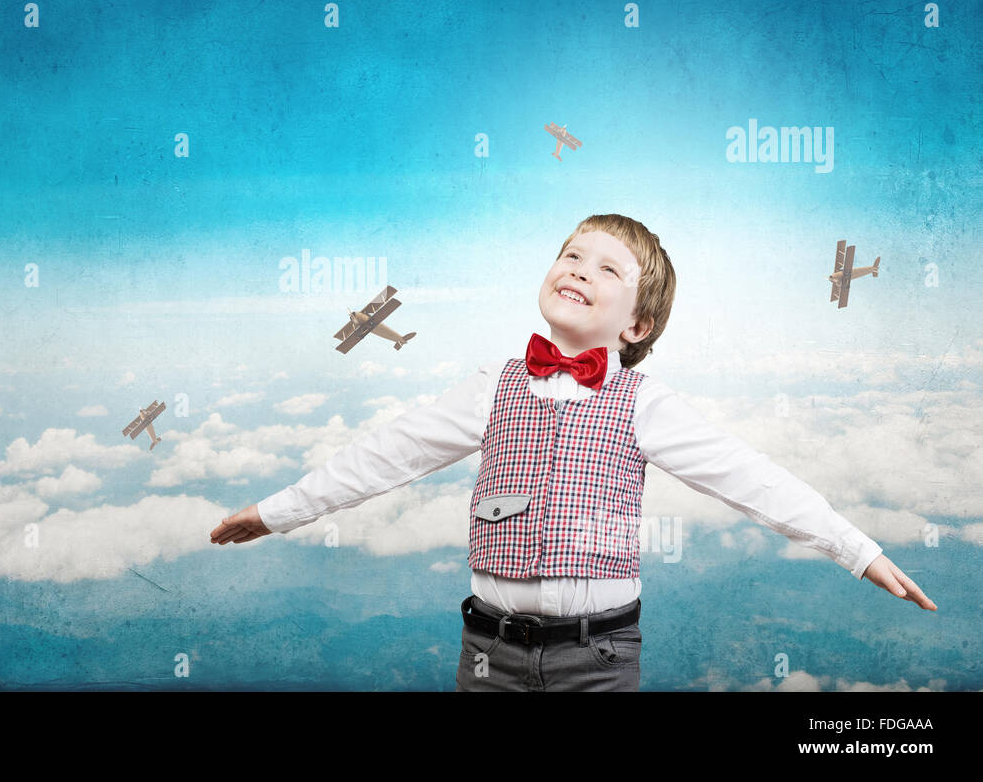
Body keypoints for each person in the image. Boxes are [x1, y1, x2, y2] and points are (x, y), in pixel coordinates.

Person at [209, 213, 936, 691]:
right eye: (571, 254)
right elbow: (383, 455)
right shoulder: (489, 388)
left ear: (638, 323)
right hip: (486, 652)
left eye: (609, 269)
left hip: (601, 659)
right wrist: (277, 511)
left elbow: (753, 480)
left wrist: (856, 549)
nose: (581, 268)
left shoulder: (645, 403)